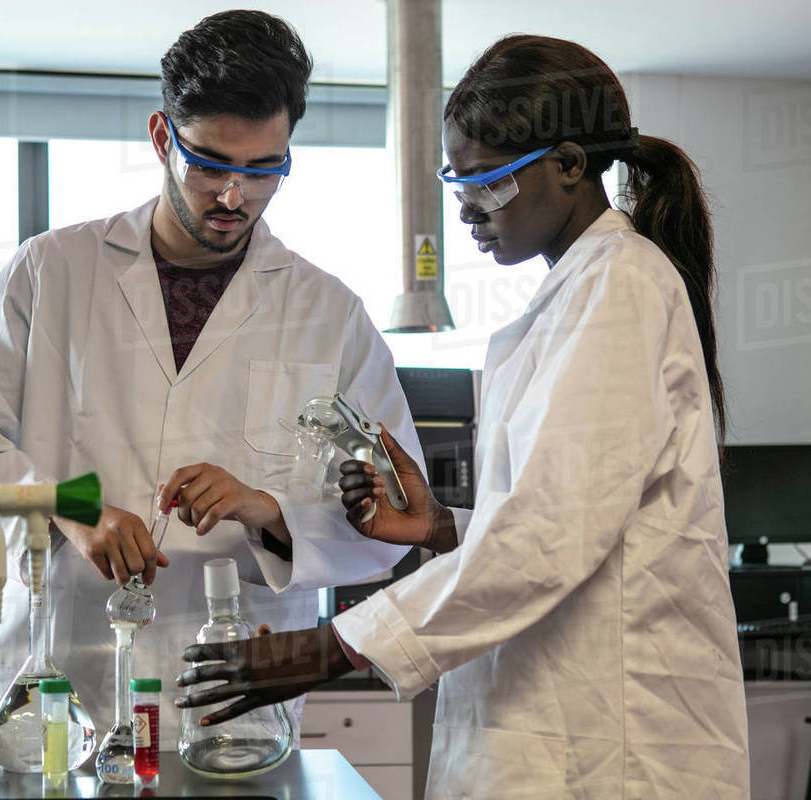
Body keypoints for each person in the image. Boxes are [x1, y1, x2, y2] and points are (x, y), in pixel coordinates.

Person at [176, 34, 750, 798]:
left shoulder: (620, 290)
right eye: (456, 181)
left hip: (614, 751)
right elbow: (572, 522)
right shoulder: (577, 295)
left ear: (571, 166)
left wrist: (327, 648)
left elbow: (548, 540)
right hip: (561, 736)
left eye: (488, 184)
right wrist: (442, 527)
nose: (466, 210)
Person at [0, 10, 421, 750]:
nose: (234, 196)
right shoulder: (50, 273)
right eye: (212, 164)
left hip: (235, 691)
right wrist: (70, 507)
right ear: (162, 137)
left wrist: (269, 510)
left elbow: (392, 517)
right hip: (64, 672)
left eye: (264, 170)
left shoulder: (328, 312)